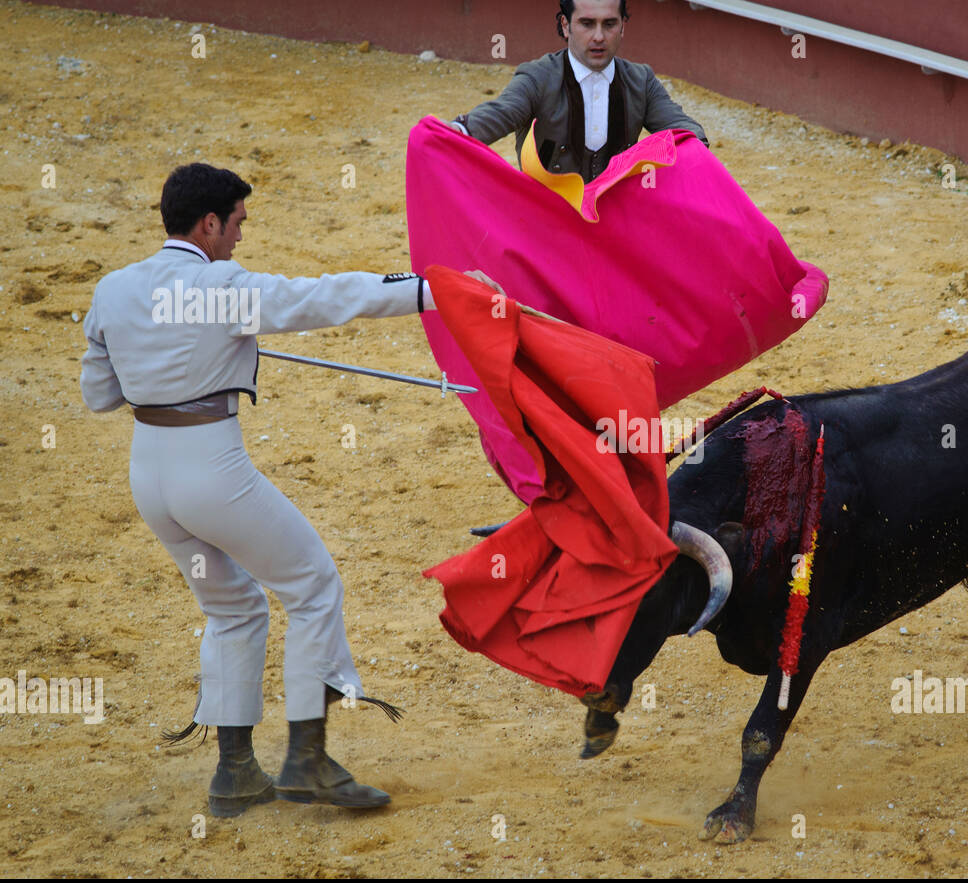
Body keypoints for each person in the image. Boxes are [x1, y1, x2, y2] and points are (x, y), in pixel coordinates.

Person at [80, 162, 499, 817]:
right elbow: (330, 298)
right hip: (211, 472)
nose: (242, 238)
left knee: (233, 609)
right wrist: (435, 289)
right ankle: (306, 759)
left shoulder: (113, 289)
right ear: (209, 223)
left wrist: (176, 358)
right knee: (311, 585)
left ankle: (236, 774)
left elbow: (99, 395)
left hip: (151, 477)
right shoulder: (222, 284)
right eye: (238, 224)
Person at [450, 0, 708, 182]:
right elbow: (501, 113)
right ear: (566, 25)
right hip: (546, 223)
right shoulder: (538, 77)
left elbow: (686, 133)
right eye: (587, 23)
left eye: (609, 24)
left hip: (615, 224)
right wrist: (456, 132)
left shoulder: (640, 81)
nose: (598, 36)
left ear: (623, 27)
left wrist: (693, 151)